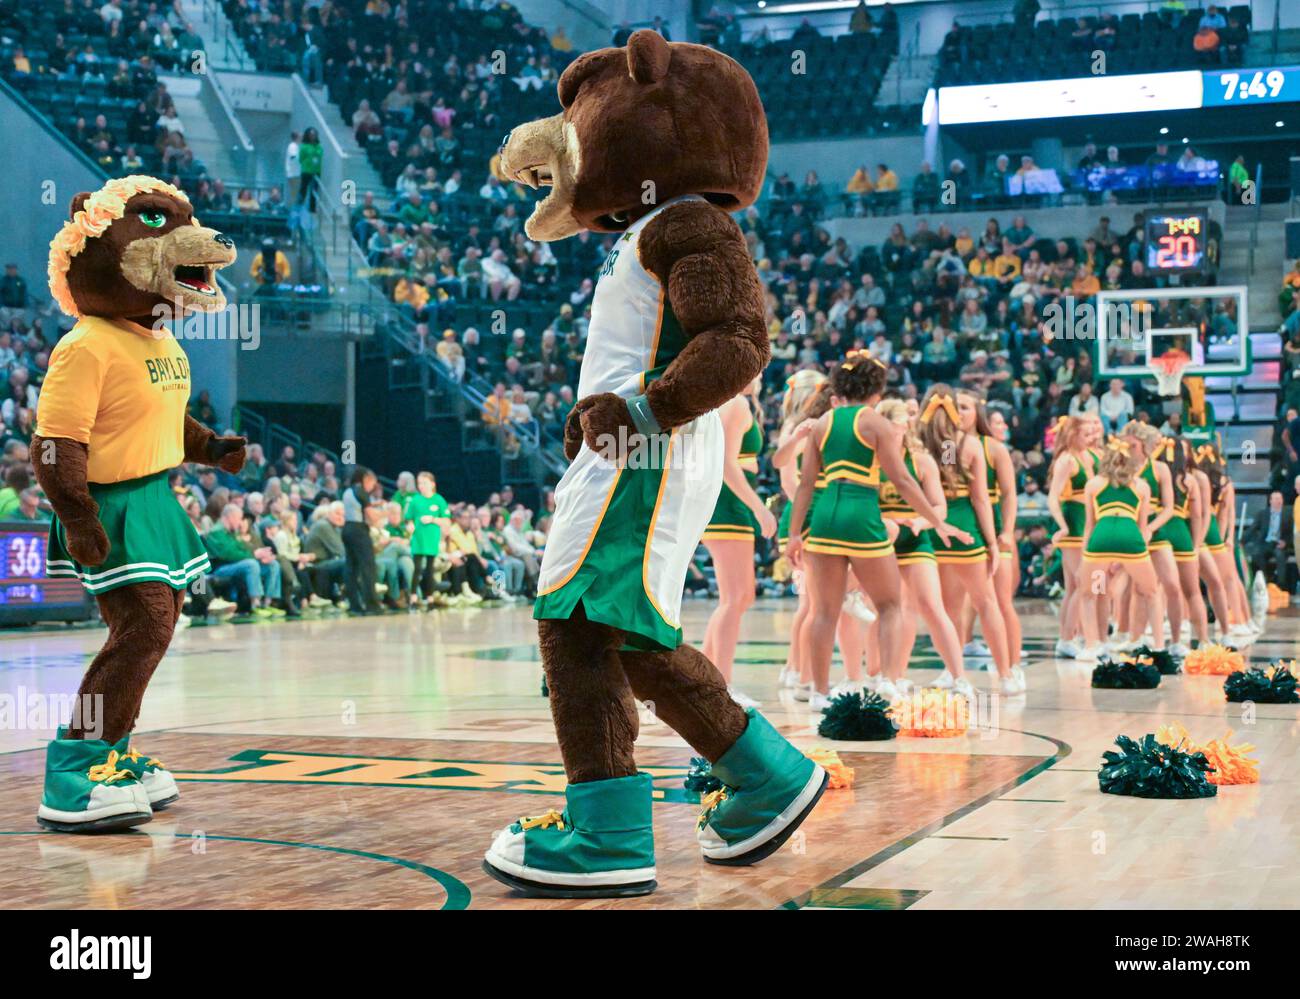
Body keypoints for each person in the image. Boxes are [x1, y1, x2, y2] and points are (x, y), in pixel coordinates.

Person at [787, 354, 967, 706]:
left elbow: (806, 484)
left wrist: (795, 535)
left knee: (824, 611)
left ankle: (819, 692)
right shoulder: (876, 423)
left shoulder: (822, 423)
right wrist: (936, 520)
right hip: (861, 513)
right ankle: (886, 680)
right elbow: (901, 480)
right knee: (890, 605)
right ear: (877, 388)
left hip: (823, 516)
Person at [923, 387, 1022, 692]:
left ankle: (958, 671)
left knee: (951, 607)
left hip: (933, 528)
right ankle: (1003, 675)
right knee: (984, 602)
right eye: (960, 407)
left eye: (969, 407)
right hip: (968, 529)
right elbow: (979, 499)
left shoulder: (921, 443)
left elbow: (1006, 494)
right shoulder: (965, 445)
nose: (964, 412)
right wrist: (992, 541)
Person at [876, 398, 972, 699]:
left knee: (931, 605)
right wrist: (889, 519)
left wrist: (920, 521)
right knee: (884, 609)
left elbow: (940, 507)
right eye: (887, 429)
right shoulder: (868, 458)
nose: (894, 434)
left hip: (916, 536)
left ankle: (959, 678)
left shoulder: (921, 460)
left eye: (898, 428)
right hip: (882, 536)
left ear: (906, 426)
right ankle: (885, 677)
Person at [701, 378, 775, 707]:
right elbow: (727, 463)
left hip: (729, 502)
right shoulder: (735, 404)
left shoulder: (730, 404)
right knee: (734, 598)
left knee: (741, 595)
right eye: (757, 371)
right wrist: (760, 508)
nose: (760, 378)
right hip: (729, 503)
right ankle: (722, 686)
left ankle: (703, 678)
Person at [1076, 439, 1165, 660]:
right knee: (1151, 592)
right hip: (1130, 540)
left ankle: (1093, 644)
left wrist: (1084, 559)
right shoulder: (1142, 485)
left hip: (1101, 543)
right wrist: (1137, 556)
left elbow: (1089, 526)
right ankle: (1160, 645)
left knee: (1091, 593)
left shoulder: (1093, 484)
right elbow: (1143, 529)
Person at [404, 471, 450, 607]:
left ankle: (429, 598)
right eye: (419, 483)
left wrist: (433, 519)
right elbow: (408, 518)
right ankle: (413, 597)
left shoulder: (439, 500)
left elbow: (446, 521)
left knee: (429, 568)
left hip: (432, 538)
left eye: (424, 483)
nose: (421, 486)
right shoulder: (415, 500)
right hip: (418, 538)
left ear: (432, 484)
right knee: (417, 568)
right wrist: (410, 525)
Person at [341, 467, 381, 614]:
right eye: (372, 484)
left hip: (347, 529)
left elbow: (357, 506)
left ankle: (354, 605)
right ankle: (372, 605)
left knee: (351, 568)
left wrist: (374, 505)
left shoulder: (348, 491)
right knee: (368, 568)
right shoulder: (362, 492)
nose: (372, 488)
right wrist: (386, 513)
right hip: (359, 531)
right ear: (366, 479)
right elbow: (372, 517)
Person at [1246, 490, 1293, 590]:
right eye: (1276, 499)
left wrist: (1285, 542)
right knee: (1257, 554)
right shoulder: (1262, 514)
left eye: (1280, 499)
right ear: (1270, 501)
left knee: (1280, 555)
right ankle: (1265, 581)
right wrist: (1241, 541)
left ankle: (1281, 585)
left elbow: (1291, 533)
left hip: (1280, 543)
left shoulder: (1288, 514)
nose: (1279, 501)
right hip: (1266, 542)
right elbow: (1252, 529)